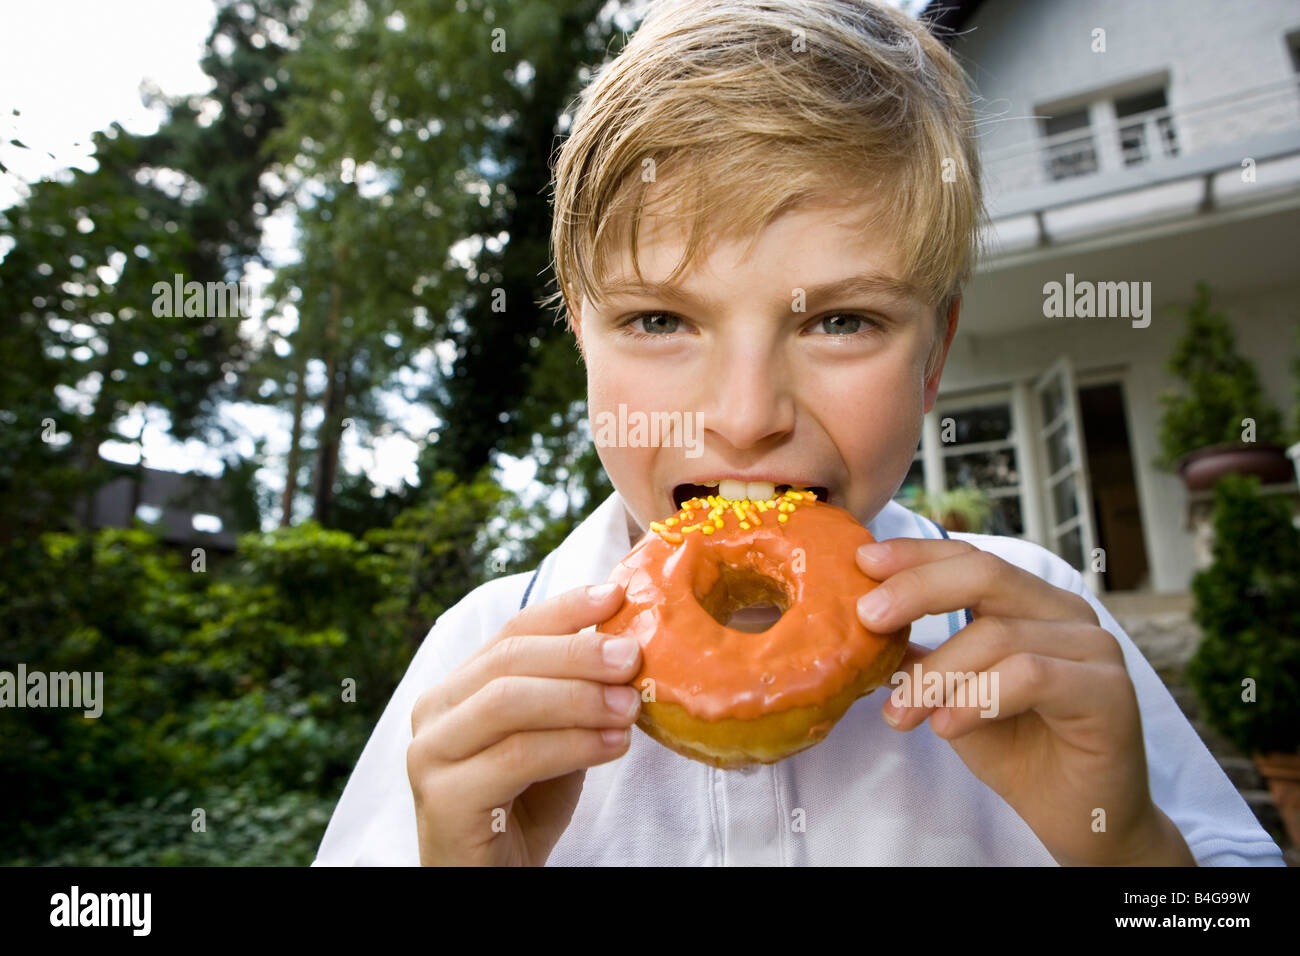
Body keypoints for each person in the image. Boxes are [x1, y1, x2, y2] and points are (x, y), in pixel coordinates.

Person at [313, 0, 1285, 866]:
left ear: (932, 352)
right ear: (583, 337)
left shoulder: (1046, 636)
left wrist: (1129, 849)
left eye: (840, 321)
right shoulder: (475, 658)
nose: (743, 417)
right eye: (659, 320)